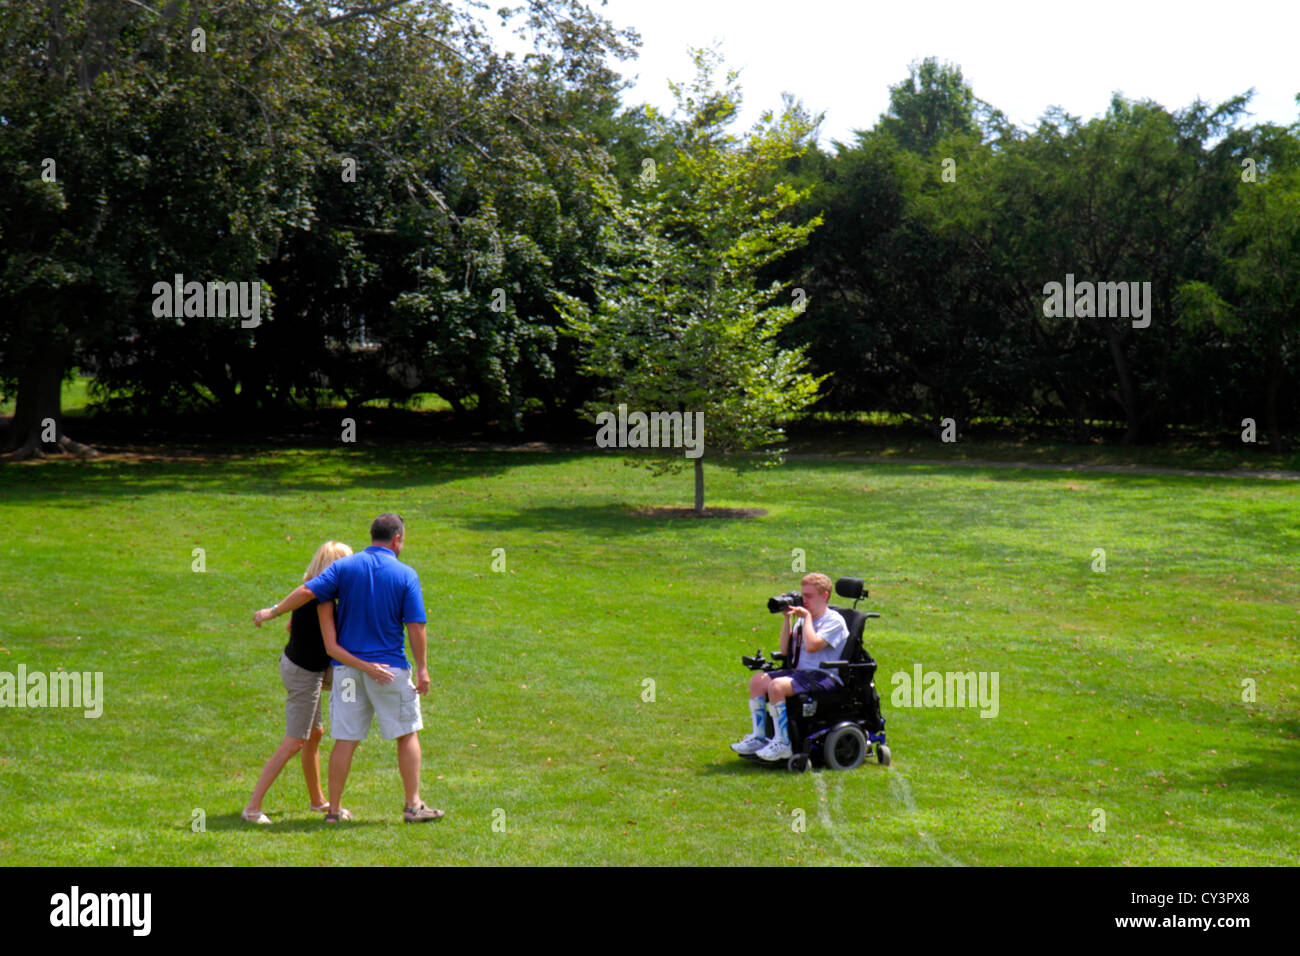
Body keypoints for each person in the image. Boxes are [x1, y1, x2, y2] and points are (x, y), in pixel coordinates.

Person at [255, 513, 441, 823]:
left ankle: (333, 810)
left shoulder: (342, 567)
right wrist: (422, 668)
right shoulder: (406, 574)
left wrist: (271, 611)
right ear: (396, 540)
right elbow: (416, 626)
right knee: (406, 734)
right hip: (388, 669)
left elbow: (305, 592)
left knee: (345, 739)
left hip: (344, 671)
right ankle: (413, 806)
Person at [242, 540, 353, 824]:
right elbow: (301, 610)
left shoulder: (315, 589)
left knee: (314, 734)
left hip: (304, 668)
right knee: (295, 740)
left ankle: (317, 801)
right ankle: (252, 808)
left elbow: (294, 624)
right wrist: (273, 611)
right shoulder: (316, 593)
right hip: (303, 672)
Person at [730, 572, 849, 761]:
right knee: (757, 681)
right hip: (801, 673)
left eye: (809, 596)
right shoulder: (803, 619)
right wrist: (788, 619)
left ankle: (783, 743)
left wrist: (807, 619)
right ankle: (759, 737)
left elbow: (812, 646)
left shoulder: (834, 621)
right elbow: (785, 651)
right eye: (803, 596)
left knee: (777, 686)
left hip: (823, 676)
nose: (804, 600)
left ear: (824, 596)